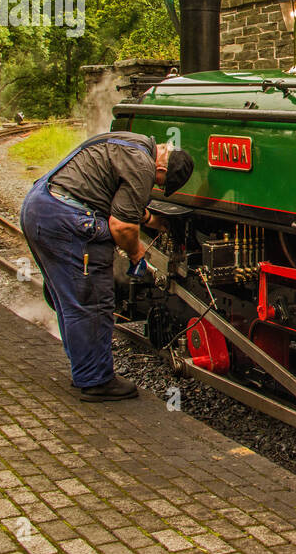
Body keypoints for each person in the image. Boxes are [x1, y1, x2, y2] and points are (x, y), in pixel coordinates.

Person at [20, 131, 193, 401]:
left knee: (70, 301)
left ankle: (83, 369)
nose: (155, 186)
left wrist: (151, 220)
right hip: (68, 221)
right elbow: (121, 226)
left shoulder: (132, 142)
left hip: (42, 207)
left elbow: (116, 197)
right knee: (92, 301)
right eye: (159, 182)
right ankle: (95, 380)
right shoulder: (142, 163)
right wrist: (137, 255)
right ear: (160, 167)